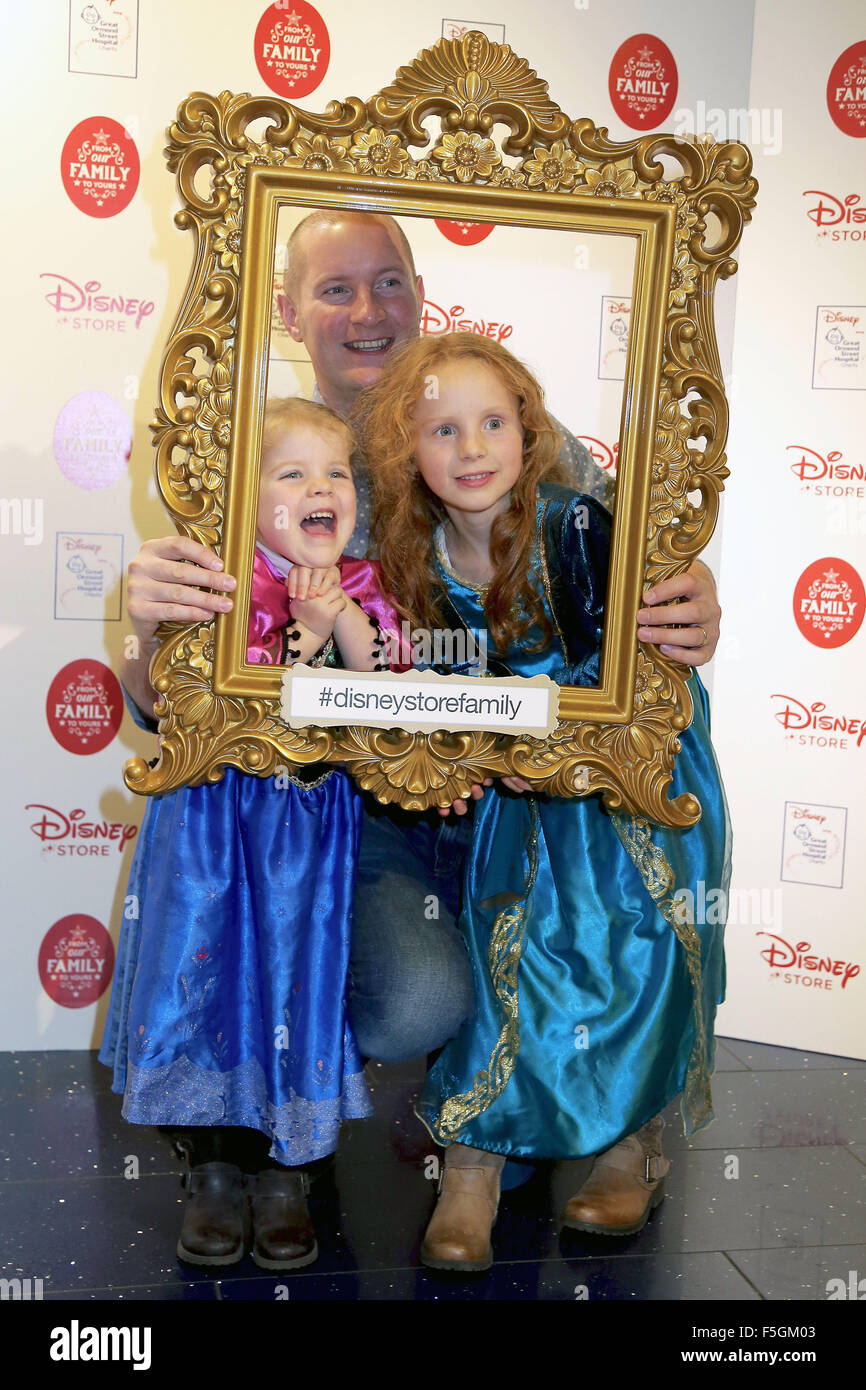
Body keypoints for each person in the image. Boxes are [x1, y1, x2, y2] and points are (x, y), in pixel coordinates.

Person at [118, 210, 724, 1246]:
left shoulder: (520, 437)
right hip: (361, 820)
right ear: (286, 310)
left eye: (387, 281)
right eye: (335, 287)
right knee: (410, 1003)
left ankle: (607, 1126)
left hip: (526, 802)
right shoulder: (259, 461)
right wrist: (148, 634)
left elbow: (633, 559)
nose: (367, 310)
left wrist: (685, 585)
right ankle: (256, 1127)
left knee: (609, 903)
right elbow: (178, 697)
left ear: (420, 289)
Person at [357, 333, 730, 1272]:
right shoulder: (416, 554)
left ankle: (625, 1143)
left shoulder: (571, 522)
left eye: (494, 423)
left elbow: (629, 661)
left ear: (531, 434)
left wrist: (561, 740)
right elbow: (437, 683)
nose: (473, 448)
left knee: (625, 945)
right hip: (514, 790)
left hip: (628, 779)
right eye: (443, 429)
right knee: (510, 949)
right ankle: (476, 1156)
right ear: (408, 453)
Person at [101, 397, 404, 1270]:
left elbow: (380, 690)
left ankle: (287, 1170)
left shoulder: (365, 586)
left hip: (307, 837)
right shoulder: (223, 579)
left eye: (337, 473)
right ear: (245, 498)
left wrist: (336, 616)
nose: (322, 488)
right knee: (207, 976)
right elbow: (199, 701)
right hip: (209, 827)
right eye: (292, 472)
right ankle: (213, 1167)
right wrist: (294, 632)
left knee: (292, 980)